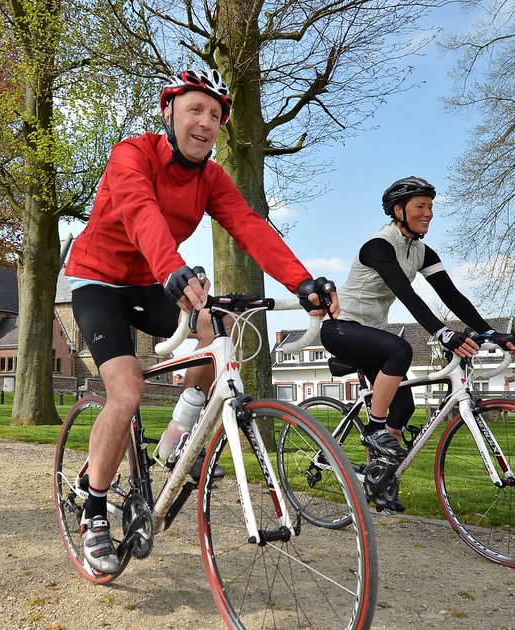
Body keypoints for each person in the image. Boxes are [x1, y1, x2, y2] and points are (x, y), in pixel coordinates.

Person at [64, 68, 339, 575]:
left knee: (217, 328)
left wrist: (300, 283)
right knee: (125, 390)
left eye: (215, 115)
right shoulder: (133, 153)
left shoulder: (212, 178)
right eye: (196, 109)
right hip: (99, 279)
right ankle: (95, 510)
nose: (206, 122)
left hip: (152, 278)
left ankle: (177, 438)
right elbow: (138, 209)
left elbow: (251, 227)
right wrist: (172, 266)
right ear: (168, 112)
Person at [322, 176, 515, 507]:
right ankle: (374, 429)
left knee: (404, 405)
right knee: (401, 350)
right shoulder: (378, 246)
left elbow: (451, 296)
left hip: (372, 333)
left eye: (430, 207)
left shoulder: (421, 251)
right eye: (420, 206)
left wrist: (489, 332)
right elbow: (407, 294)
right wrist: (441, 333)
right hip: (342, 328)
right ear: (398, 210)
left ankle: (379, 481)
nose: (428, 213)